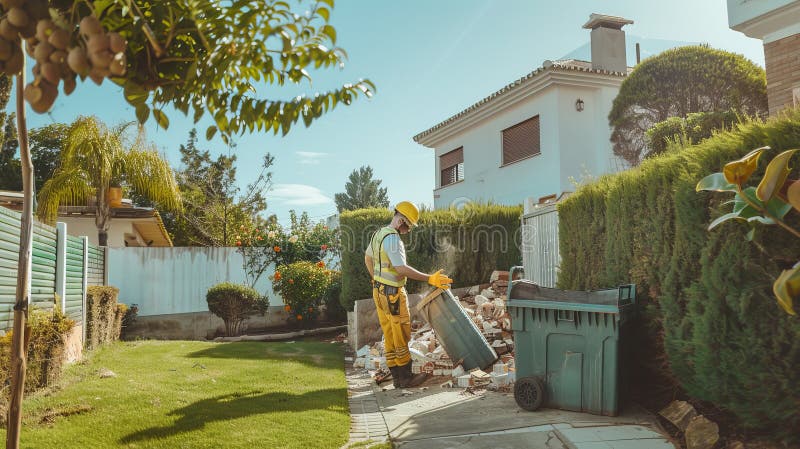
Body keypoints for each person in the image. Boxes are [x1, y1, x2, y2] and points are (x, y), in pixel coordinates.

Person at [364, 201, 453, 388]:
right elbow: (401, 268)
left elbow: (368, 258)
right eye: (409, 224)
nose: (409, 229)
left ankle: (397, 378)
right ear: (401, 220)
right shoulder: (393, 239)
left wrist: (376, 279)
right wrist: (429, 278)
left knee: (389, 334)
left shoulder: (378, 234)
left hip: (378, 292)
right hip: (393, 295)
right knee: (401, 335)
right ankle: (405, 378)